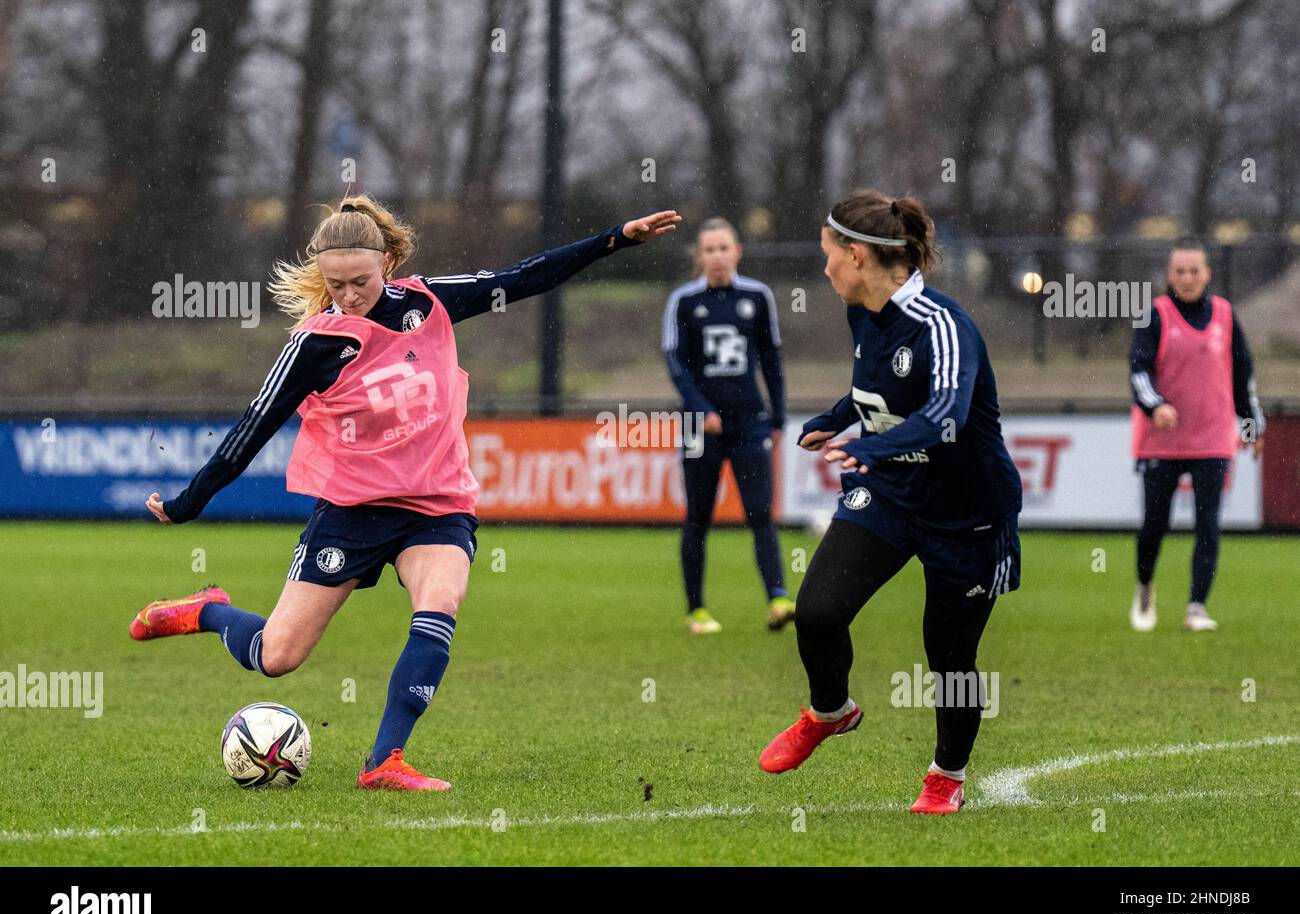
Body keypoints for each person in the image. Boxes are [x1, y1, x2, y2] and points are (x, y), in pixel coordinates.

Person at [129, 195, 681, 790]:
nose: (348, 295)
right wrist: (189, 503)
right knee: (277, 657)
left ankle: (384, 761)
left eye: (360, 281)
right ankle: (208, 611)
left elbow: (524, 277)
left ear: (387, 262)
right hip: (352, 511)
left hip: (437, 504)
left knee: (439, 602)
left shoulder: (430, 301)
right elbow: (250, 430)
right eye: (334, 284)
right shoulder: (315, 344)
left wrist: (616, 238)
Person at [757, 190, 1022, 815]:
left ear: (856, 256)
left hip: (968, 512)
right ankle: (831, 712)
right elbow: (874, 389)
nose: (823, 270)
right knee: (817, 611)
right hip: (892, 494)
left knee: (949, 655)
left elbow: (946, 414)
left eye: (828, 257)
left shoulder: (944, 324)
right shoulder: (862, 311)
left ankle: (946, 776)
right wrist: (837, 416)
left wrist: (871, 449)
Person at [661, 217, 792, 635]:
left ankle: (777, 598)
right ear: (699, 257)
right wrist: (701, 409)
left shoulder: (758, 296)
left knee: (760, 513)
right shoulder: (683, 301)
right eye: (709, 249)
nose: (717, 256)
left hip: (749, 422)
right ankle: (696, 608)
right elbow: (676, 364)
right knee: (699, 516)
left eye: (724, 248)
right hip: (702, 428)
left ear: (737, 252)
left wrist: (778, 415)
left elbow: (771, 359)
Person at [1129, 237, 1265, 633]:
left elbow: (1243, 374)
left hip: (1213, 438)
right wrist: (1156, 406)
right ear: (1169, 275)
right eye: (1179, 271)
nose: (1187, 278)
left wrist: (1252, 423)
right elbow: (1138, 370)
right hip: (1162, 441)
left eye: (1194, 270)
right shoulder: (1153, 315)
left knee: (1209, 523)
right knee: (1155, 524)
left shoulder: (1224, 314)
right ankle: (1144, 585)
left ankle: (1196, 607)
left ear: (1207, 273)